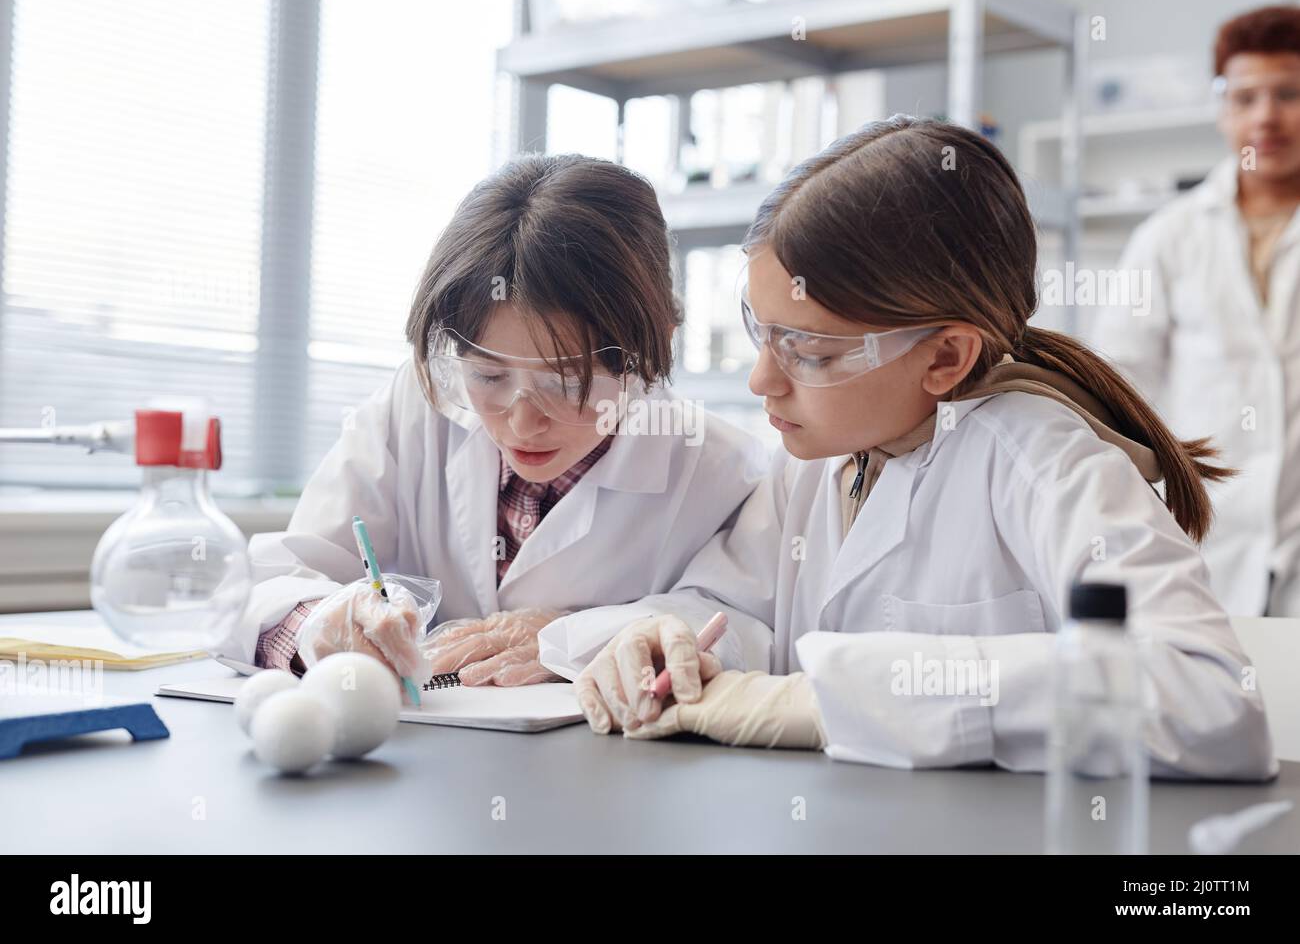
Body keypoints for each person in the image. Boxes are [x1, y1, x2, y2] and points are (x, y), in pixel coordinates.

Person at [540, 116, 1278, 780]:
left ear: (946, 357)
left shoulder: (1045, 461)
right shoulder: (826, 454)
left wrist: (836, 700)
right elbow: (738, 608)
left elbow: (1209, 699)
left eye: (809, 351)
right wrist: (662, 640)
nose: (764, 378)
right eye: (761, 332)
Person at [226, 154, 767, 685]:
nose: (522, 423)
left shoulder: (720, 471)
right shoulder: (415, 410)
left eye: (564, 384)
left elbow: (743, 627)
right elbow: (277, 578)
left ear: (649, 354)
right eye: (488, 377)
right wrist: (321, 624)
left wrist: (575, 636)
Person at [1091, 5, 1300, 616]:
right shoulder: (1169, 237)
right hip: (1205, 536)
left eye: (1288, 93)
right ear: (1223, 109)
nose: (1267, 115)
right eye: (1247, 97)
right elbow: (1120, 388)